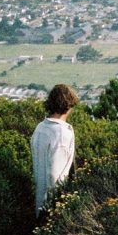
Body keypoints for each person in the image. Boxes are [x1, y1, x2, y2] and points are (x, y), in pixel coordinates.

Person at [30, 83, 80, 219]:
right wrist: (57, 206)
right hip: (53, 208)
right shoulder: (62, 133)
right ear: (68, 105)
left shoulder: (39, 128)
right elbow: (54, 175)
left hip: (39, 202)